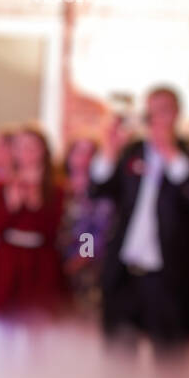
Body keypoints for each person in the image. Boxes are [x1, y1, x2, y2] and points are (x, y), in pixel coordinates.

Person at [89, 86, 189, 349]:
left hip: (169, 277)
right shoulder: (133, 152)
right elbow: (98, 189)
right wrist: (110, 150)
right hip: (125, 271)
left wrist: (170, 153)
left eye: (163, 111)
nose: (155, 118)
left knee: (169, 361)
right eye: (151, 112)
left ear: (177, 113)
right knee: (117, 357)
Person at [0, 124, 66, 318]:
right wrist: (12, 205)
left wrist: (36, 201)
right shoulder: (4, 184)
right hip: (7, 261)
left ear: (44, 151)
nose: (25, 153)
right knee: (2, 322)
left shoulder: (56, 188)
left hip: (40, 263)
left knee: (37, 320)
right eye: (20, 146)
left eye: (31, 147)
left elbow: (54, 231)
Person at [59, 135, 113, 315]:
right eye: (79, 151)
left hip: (84, 269)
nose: (84, 158)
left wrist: (79, 259)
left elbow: (95, 232)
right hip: (51, 262)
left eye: (90, 153)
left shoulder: (99, 193)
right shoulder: (58, 187)